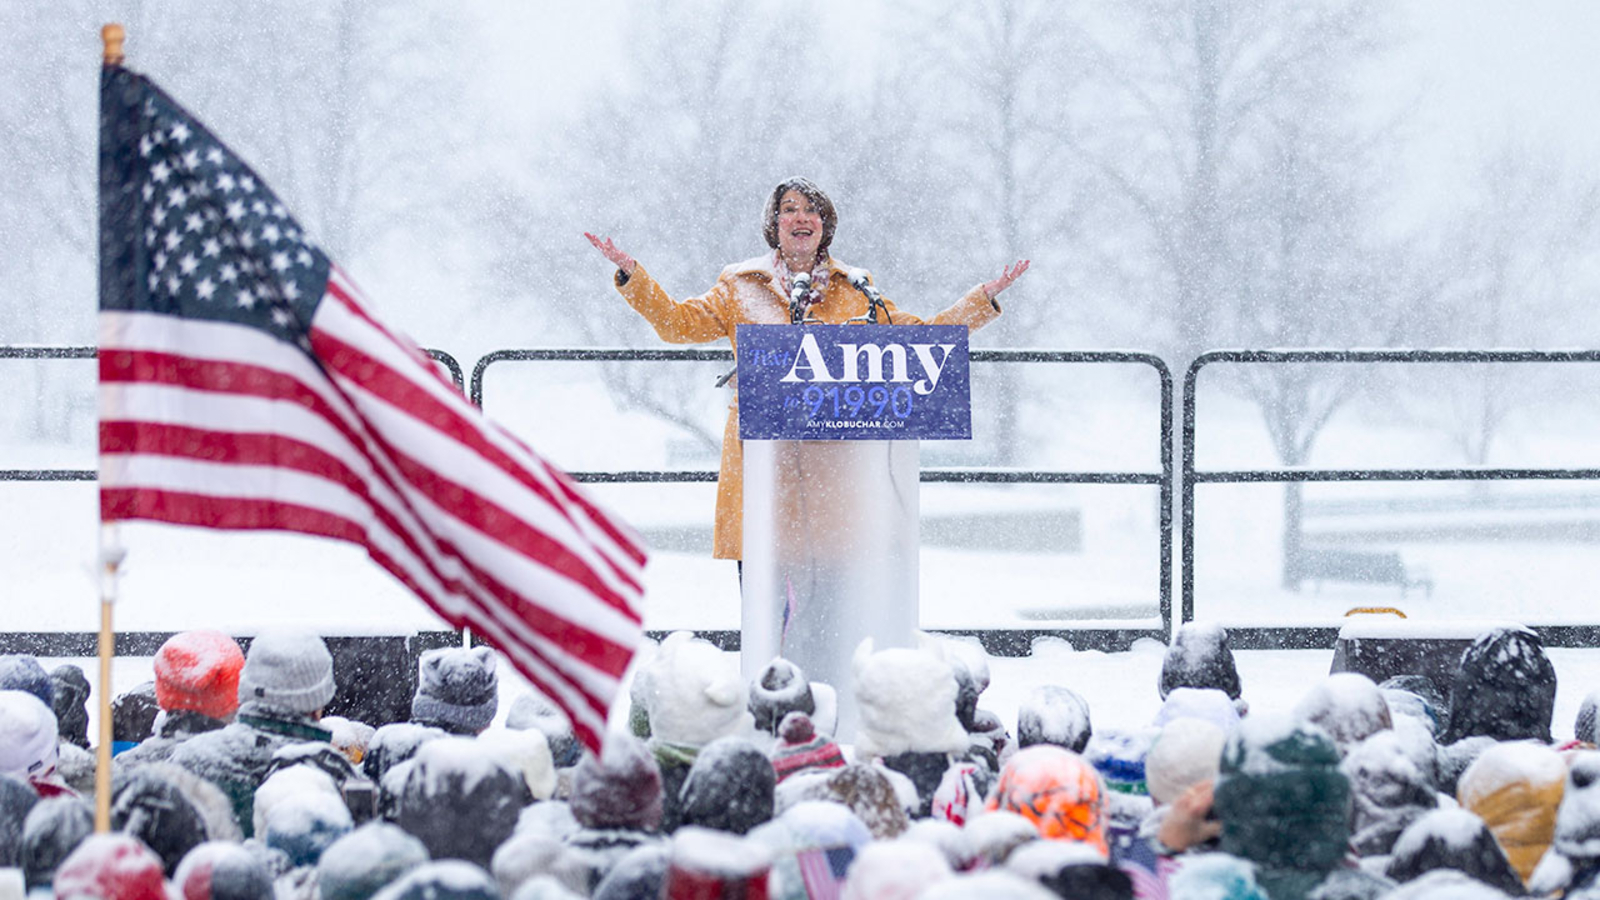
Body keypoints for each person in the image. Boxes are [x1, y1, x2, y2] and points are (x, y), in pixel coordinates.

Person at [585, 176, 1028, 562]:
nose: (801, 217)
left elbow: (920, 340)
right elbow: (676, 324)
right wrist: (632, 275)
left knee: (830, 601)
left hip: (833, 473)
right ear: (774, 225)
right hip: (761, 462)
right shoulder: (739, 286)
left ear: (825, 224)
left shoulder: (857, 290)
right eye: (789, 209)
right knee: (765, 605)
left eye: (811, 210)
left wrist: (982, 300)